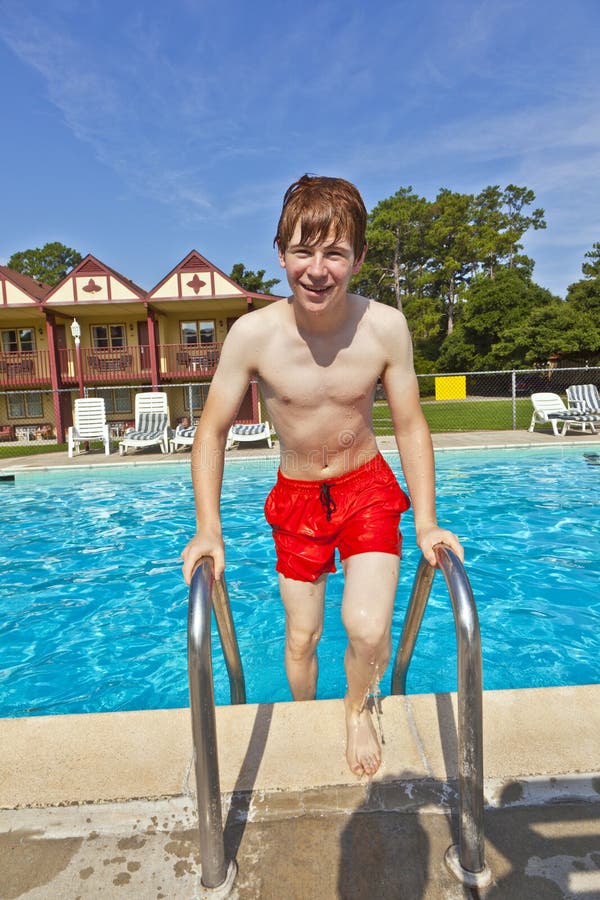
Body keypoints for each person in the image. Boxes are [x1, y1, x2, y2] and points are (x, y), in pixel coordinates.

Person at [182, 174, 463, 778]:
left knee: (366, 629)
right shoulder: (253, 336)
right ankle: (308, 713)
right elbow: (211, 431)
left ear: (358, 257)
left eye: (334, 252)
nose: (317, 269)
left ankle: (358, 708)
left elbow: (411, 425)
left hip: (366, 490)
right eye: (303, 251)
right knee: (302, 639)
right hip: (297, 498)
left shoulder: (384, 327)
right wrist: (209, 529)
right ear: (280, 253)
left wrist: (427, 519)